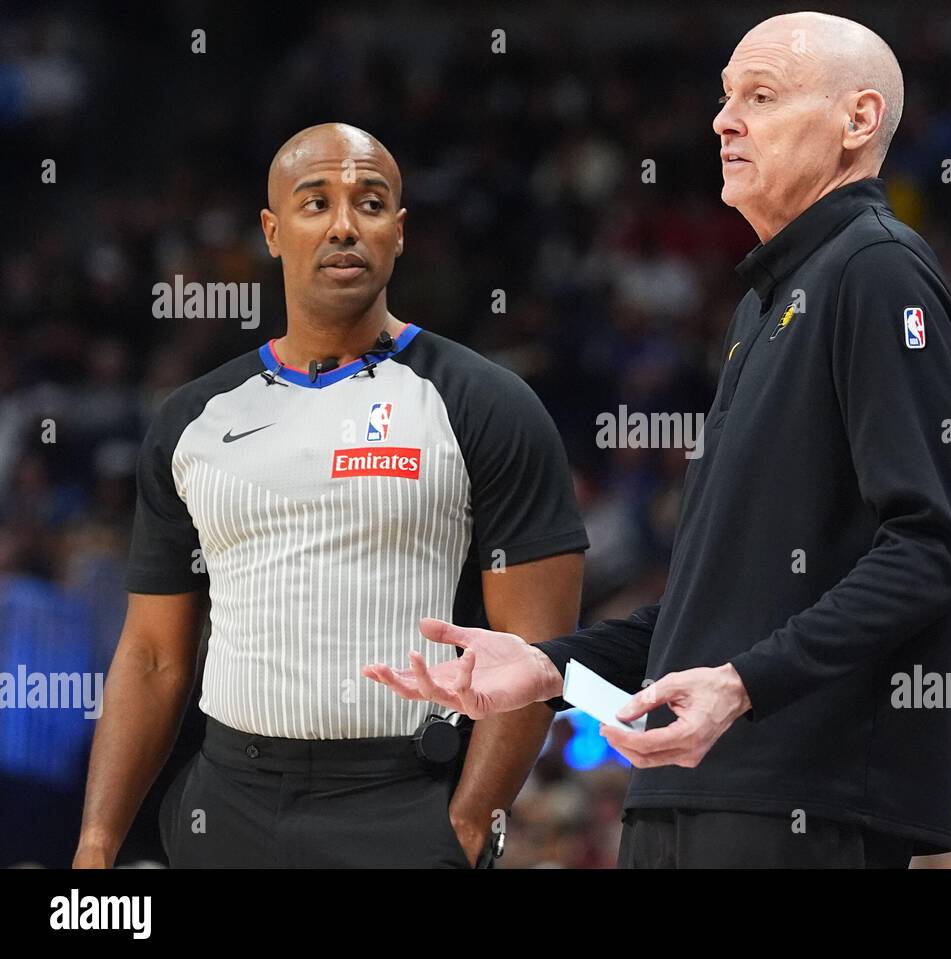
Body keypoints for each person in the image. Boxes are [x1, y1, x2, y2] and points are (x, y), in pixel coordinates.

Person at [366, 12, 951, 868]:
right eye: (725, 98)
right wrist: (550, 669)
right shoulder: (764, 302)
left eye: (760, 96)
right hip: (691, 786)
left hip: (796, 797)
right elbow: (712, 607)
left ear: (858, 119)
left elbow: (932, 548)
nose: (724, 121)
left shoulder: (877, 270)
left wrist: (742, 686)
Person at [73, 123, 588, 869]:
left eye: (371, 203)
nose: (345, 224)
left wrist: (470, 821)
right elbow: (154, 656)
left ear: (399, 232)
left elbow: (535, 656)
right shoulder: (192, 420)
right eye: (316, 203)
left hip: (404, 799)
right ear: (273, 231)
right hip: (227, 800)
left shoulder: (486, 403)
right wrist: (96, 845)